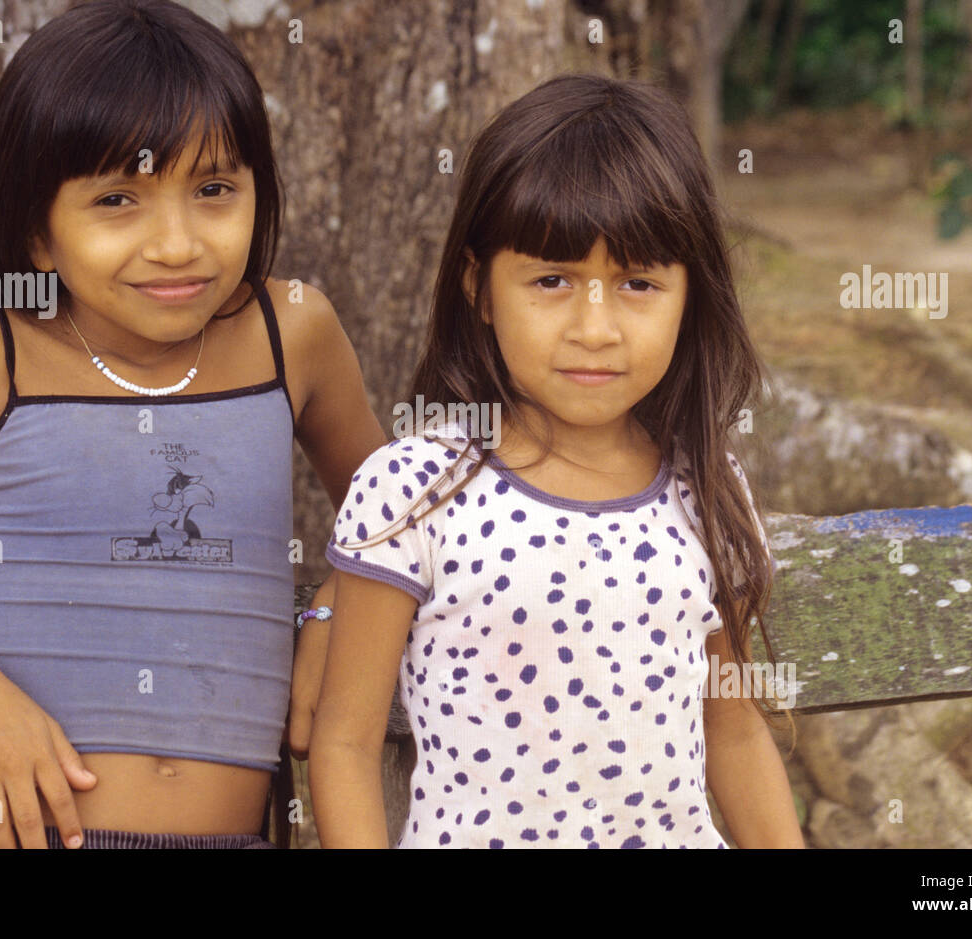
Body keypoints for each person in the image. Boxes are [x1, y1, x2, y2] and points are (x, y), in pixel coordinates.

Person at [0, 0, 384, 849]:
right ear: (38, 231)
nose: (177, 243)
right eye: (118, 199)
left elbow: (397, 525)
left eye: (215, 189)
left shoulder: (290, 334)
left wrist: (338, 608)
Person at [309, 74, 804, 848]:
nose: (594, 328)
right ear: (480, 288)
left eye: (638, 283)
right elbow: (344, 744)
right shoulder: (416, 488)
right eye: (551, 281)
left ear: (690, 297)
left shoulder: (708, 486)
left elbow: (734, 736)